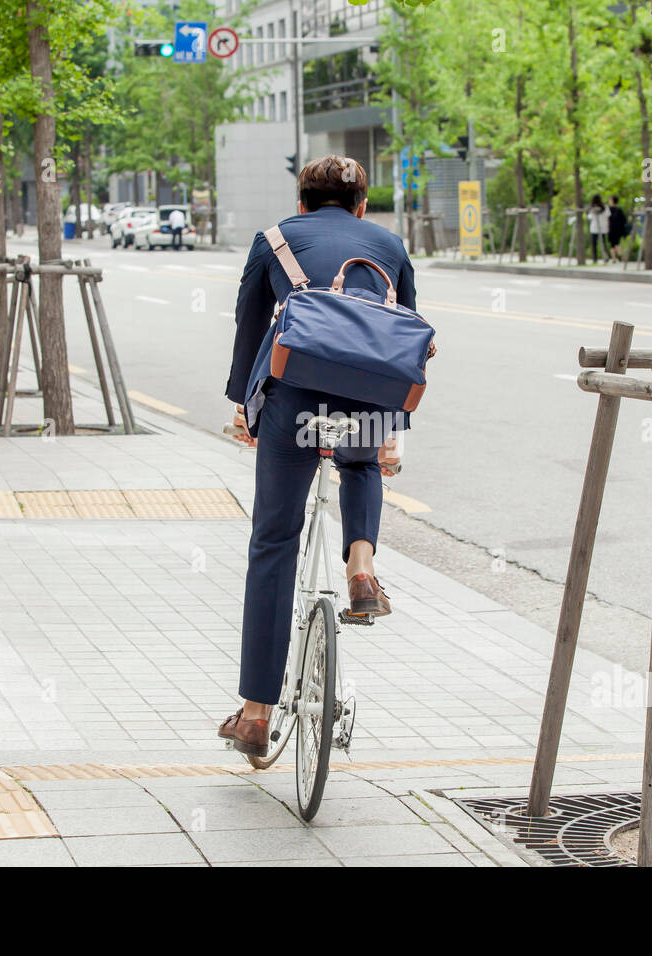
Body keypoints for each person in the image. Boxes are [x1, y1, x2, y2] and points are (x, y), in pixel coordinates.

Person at [217, 155, 429, 758]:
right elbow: (402, 335)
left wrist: (243, 404)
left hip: (294, 399)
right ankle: (361, 568)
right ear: (362, 205)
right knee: (361, 458)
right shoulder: (389, 244)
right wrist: (397, 425)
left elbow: (248, 326)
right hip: (370, 394)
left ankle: (257, 713)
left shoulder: (275, 239)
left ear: (302, 201)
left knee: (273, 543)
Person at [606, 195, 629, 263]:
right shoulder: (619, 210)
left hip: (611, 229)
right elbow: (624, 220)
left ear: (612, 201)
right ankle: (620, 255)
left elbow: (607, 220)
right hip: (618, 229)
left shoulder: (609, 210)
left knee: (612, 244)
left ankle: (614, 258)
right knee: (617, 243)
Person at [587, 194, 607, 264]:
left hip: (594, 228)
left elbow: (590, 217)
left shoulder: (592, 208)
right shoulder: (605, 207)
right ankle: (605, 257)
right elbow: (607, 217)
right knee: (603, 243)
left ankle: (595, 258)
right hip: (603, 228)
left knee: (594, 244)